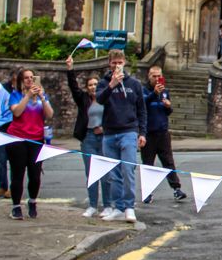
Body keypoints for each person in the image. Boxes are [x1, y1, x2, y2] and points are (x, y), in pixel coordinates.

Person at [96, 50, 147, 222]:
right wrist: (111, 85)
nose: (117, 65)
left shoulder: (134, 84)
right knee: (114, 174)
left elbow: (141, 110)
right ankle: (117, 207)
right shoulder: (103, 83)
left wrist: (142, 133)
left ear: (124, 62)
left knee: (128, 171)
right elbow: (99, 100)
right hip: (109, 132)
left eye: (119, 62)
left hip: (129, 131)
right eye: (113, 62)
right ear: (109, 64)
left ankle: (129, 207)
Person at [66, 56, 112, 218]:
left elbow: (114, 117)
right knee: (92, 173)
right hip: (88, 139)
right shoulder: (83, 99)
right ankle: (92, 205)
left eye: (95, 84)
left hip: (105, 139)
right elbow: (73, 87)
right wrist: (70, 69)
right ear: (87, 88)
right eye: (90, 85)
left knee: (106, 175)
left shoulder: (106, 99)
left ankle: (108, 206)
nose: (93, 87)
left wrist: (105, 129)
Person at [5, 69, 53, 220]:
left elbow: (49, 114)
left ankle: (32, 201)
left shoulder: (41, 96)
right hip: (17, 139)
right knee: (18, 174)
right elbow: (17, 112)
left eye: (32, 78)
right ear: (21, 81)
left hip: (36, 139)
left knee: (35, 175)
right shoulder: (15, 95)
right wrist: (27, 96)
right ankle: (16, 206)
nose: (29, 80)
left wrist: (42, 98)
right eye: (26, 78)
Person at [142, 65, 186, 203]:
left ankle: (176, 189)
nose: (156, 79)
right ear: (149, 76)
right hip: (148, 132)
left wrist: (168, 106)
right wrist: (154, 93)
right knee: (148, 164)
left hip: (163, 132)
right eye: (154, 76)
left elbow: (167, 112)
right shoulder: (143, 90)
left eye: (158, 76)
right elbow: (142, 104)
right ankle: (148, 192)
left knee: (168, 162)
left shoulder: (165, 91)